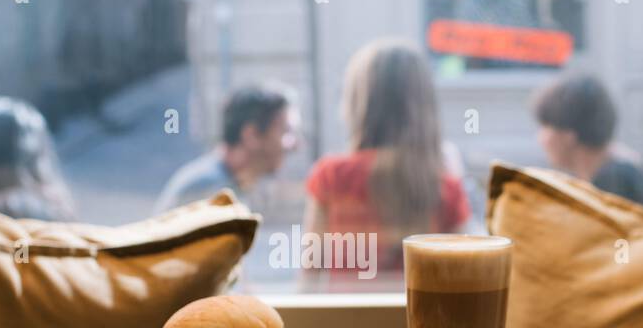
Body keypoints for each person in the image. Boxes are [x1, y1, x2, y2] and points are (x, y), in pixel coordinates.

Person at [304, 39, 470, 285]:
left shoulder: (331, 176)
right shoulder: (444, 187)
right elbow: (465, 274)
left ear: (358, 102)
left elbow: (309, 279)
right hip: (419, 321)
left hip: (345, 321)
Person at [154, 83, 296, 212]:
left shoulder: (234, 184)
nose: (295, 144)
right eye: (285, 132)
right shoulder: (208, 190)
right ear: (251, 135)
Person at [533, 74, 643, 212]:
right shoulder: (613, 170)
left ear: (568, 135)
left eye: (546, 126)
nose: (540, 139)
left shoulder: (614, 181)